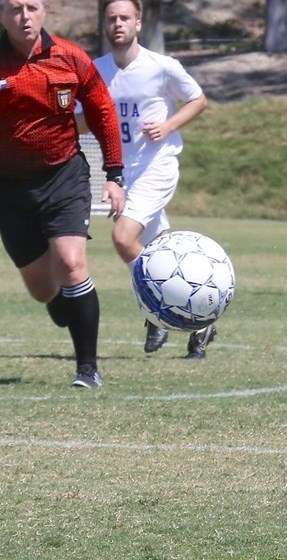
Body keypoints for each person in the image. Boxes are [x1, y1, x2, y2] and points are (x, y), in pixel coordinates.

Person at [77, 0, 213, 359]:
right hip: (120, 174)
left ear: (138, 23)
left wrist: (168, 125)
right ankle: (200, 323)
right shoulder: (94, 71)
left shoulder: (162, 66)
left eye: (125, 18)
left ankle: (157, 306)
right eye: (111, 18)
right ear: (104, 25)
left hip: (157, 166)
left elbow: (198, 100)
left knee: (123, 238)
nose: (118, 24)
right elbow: (77, 119)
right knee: (162, 252)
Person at [0, 0, 125, 388]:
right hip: (7, 187)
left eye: (32, 7)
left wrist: (115, 174)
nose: (25, 17)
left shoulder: (70, 57)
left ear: (45, 12)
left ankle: (87, 369)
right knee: (42, 289)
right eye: (14, 9)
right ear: (1, 15)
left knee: (71, 264)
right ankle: (60, 300)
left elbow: (103, 110)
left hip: (63, 178)